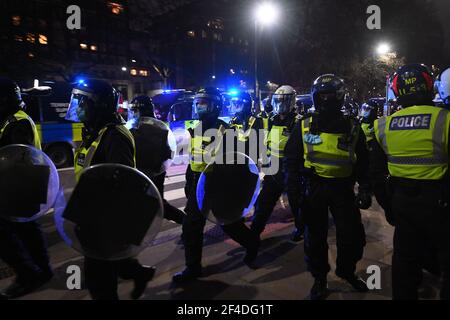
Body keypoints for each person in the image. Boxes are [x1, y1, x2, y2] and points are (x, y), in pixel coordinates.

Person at [66, 79, 155, 300]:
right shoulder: (96, 131)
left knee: (99, 281)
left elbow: (124, 180)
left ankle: (133, 274)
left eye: (82, 102)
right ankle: (138, 273)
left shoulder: (114, 135)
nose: (78, 107)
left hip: (106, 218)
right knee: (115, 262)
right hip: (92, 211)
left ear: (100, 105)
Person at [285, 74, 371, 300]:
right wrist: (293, 192)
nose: (326, 100)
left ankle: (347, 272)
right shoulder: (303, 125)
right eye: (322, 96)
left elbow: (363, 160)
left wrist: (365, 188)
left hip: (343, 189)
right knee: (315, 238)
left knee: (352, 236)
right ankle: (319, 278)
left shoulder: (353, 126)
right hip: (314, 188)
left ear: (340, 97)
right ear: (315, 97)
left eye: (330, 96)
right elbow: (291, 160)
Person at [372, 64, 450, 300]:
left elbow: (375, 175)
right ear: (428, 85)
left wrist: (390, 207)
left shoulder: (383, 126)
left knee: (404, 265)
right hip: (441, 205)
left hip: (402, 203)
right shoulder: (445, 119)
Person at [172, 87, 260, 284]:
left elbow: (237, 164)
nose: (199, 106)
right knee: (191, 227)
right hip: (198, 185)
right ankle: (193, 268)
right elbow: (193, 160)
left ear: (215, 106)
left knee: (229, 224)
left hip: (218, 185)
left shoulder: (226, 132)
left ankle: (252, 243)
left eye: (204, 103)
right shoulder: (194, 128)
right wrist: (189, 182)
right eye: (198, 103)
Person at [0, 77, 53, 300]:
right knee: (28, 230)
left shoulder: (16, 122)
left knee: (7, 233)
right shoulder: (11, 119)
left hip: (20, 184)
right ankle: (42, 270)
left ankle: (27, 273)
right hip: (24, 183)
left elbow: (14, 155)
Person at [251, 85, 305, 242]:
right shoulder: (269, 121)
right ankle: (253, 235)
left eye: (284, 101)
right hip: (273, 172)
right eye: (277, 101)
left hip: (292, 171)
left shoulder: (299, 122)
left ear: (292, 102)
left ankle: (301, 229)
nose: (280, 105)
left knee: (297, 204)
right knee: (262, 205)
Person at [128, 95, 185, 225]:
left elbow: (155, 154)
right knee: (154, 203)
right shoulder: (139, 127)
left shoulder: (156, 129)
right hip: (146, 171)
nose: (133, 114)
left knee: (158, 204)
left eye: (136, 111)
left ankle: (185, 221)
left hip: (152, 172)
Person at [360, 101, 394, 225]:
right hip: (364, 150)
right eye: (364, 108)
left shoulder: (378, 123)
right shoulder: (359, 122)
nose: (365, 111)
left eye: (368, 109)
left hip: (375, 150)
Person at [229, 91, 264, 164]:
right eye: (234, 103)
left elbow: (256, 147)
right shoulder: (233, 120)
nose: (236, 106)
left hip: (248, 163)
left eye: (238, 103)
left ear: (246, 104)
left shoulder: (256, 121)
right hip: (233, 161)